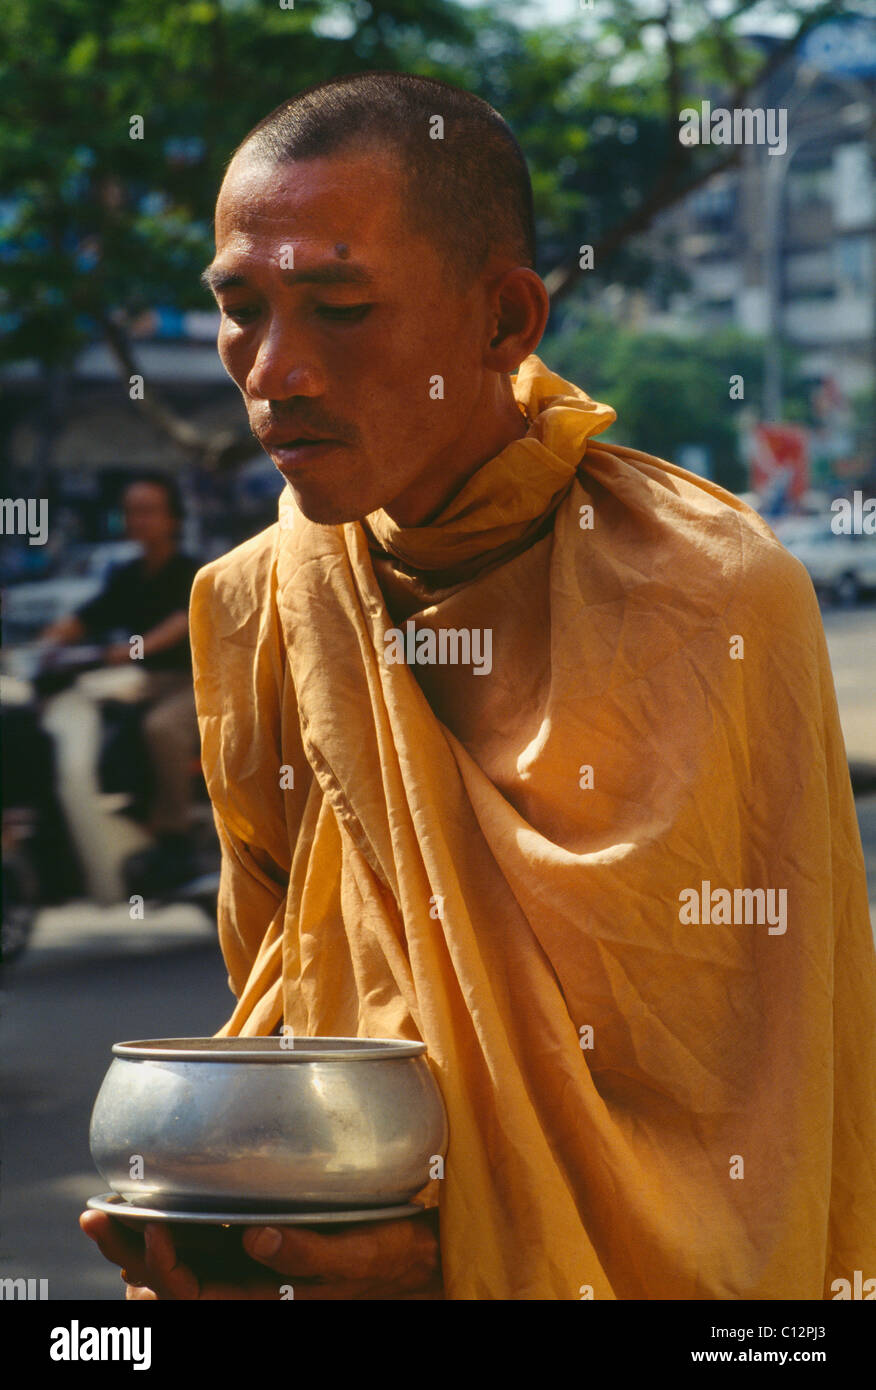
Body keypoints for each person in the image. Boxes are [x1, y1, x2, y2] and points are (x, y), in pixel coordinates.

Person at [81, 71, 876, 1300]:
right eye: (241, 308)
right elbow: (288, 991)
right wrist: (247, 1217)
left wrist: (465, 1258)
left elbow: (765, 1100)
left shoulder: (715, 598)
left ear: (505, 321)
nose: (274, 371)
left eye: (339, 306)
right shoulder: (256, 599)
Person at [40, 474, 201, 899]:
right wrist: (41, 644)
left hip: (193, 683)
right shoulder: (127, 574)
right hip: (143, 682)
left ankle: (175, 838)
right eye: (131, 512)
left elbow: (179, 623)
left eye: (148, 511)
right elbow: (82, 620)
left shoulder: (192, 571)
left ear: (172, 518)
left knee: (161, 729)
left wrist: (134, 648)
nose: (138, 520)